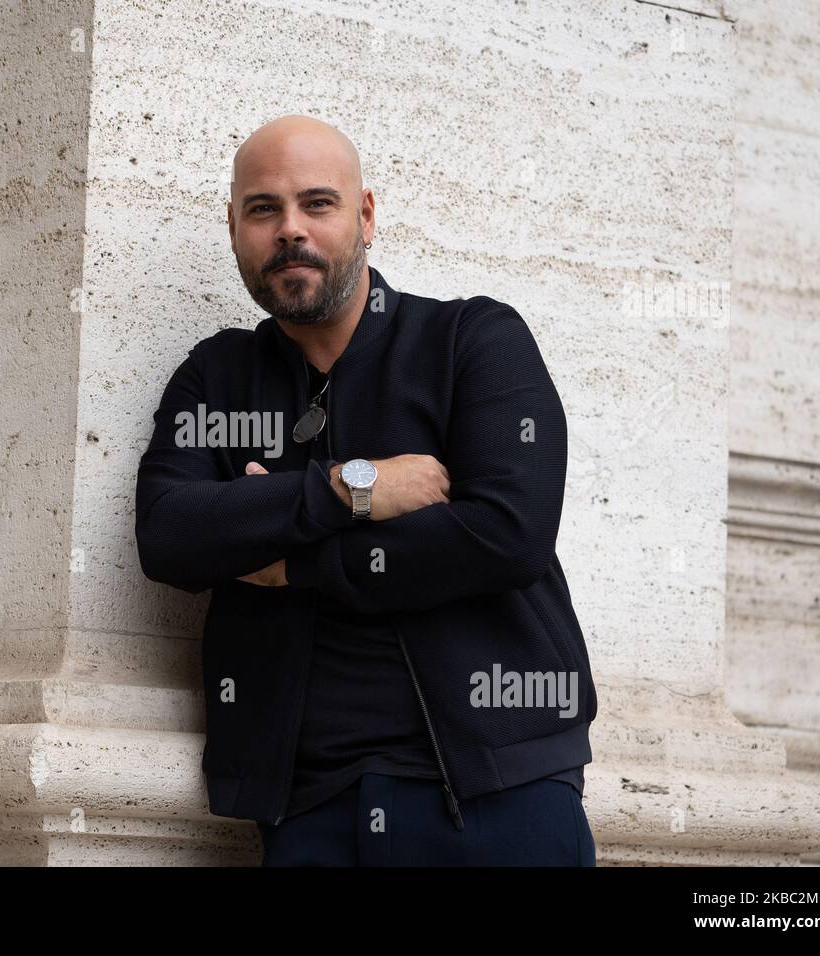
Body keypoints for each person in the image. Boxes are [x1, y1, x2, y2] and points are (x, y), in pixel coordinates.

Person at [135, 114, 597, 866]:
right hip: (307, 813)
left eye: (317, 203)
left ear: (367, 216)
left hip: (500, 797)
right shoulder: (217, 379)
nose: (291, 229)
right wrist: (351, 490)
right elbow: (168, 533)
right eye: (263, 209)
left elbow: (506, 533)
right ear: (234, 229)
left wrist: (290, 559)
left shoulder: (474, 341)